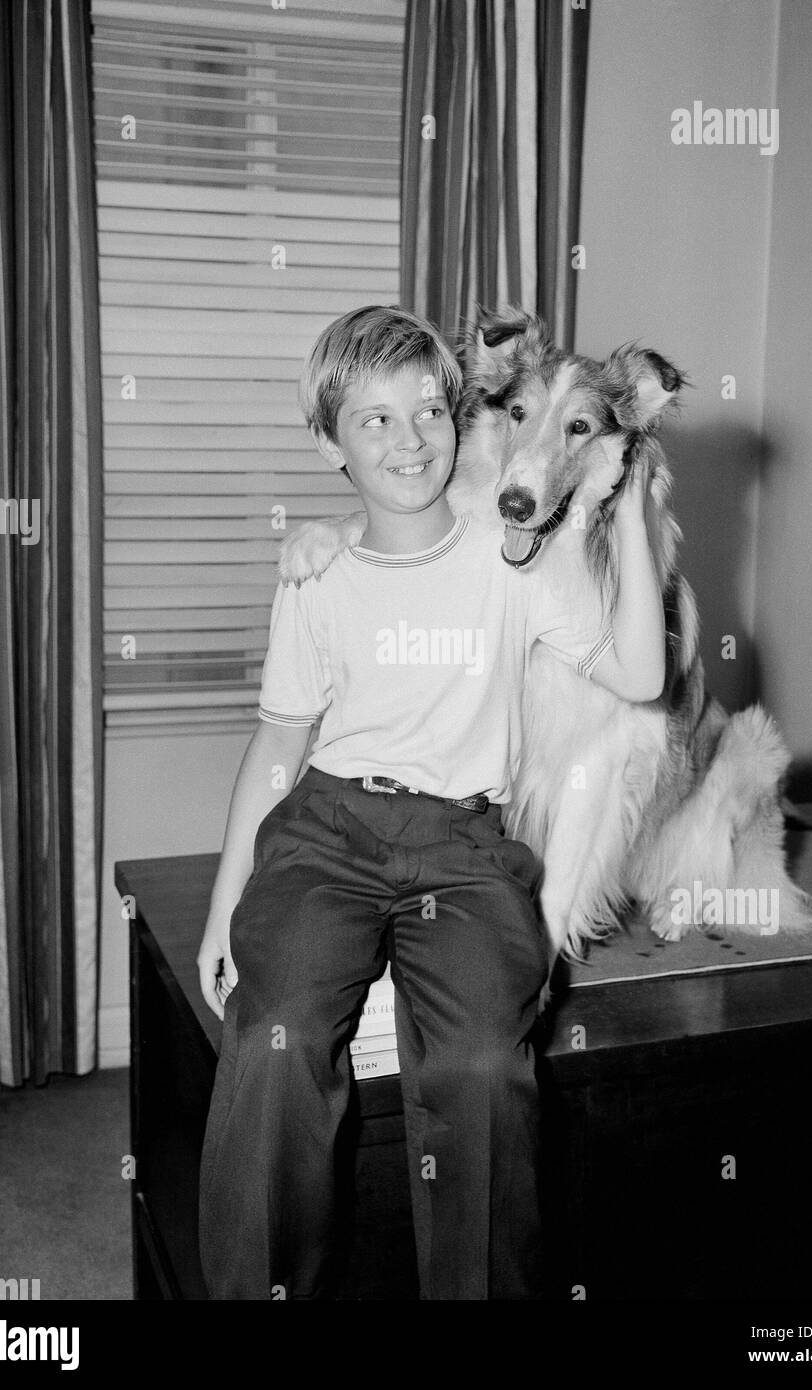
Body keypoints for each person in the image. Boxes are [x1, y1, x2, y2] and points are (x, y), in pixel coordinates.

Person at [196, 305, 665, 1300]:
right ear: (329, 443)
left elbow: (638, 672)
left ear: (457, 415)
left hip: (462, 845)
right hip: (328, 827)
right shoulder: (317, 574)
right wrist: (223, 904)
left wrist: (621, 502)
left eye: (426, 411)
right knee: (273, 1039)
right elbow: (279, 743)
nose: (409, 439)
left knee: (486, 1067)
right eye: (373, 422)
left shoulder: (513, 553)